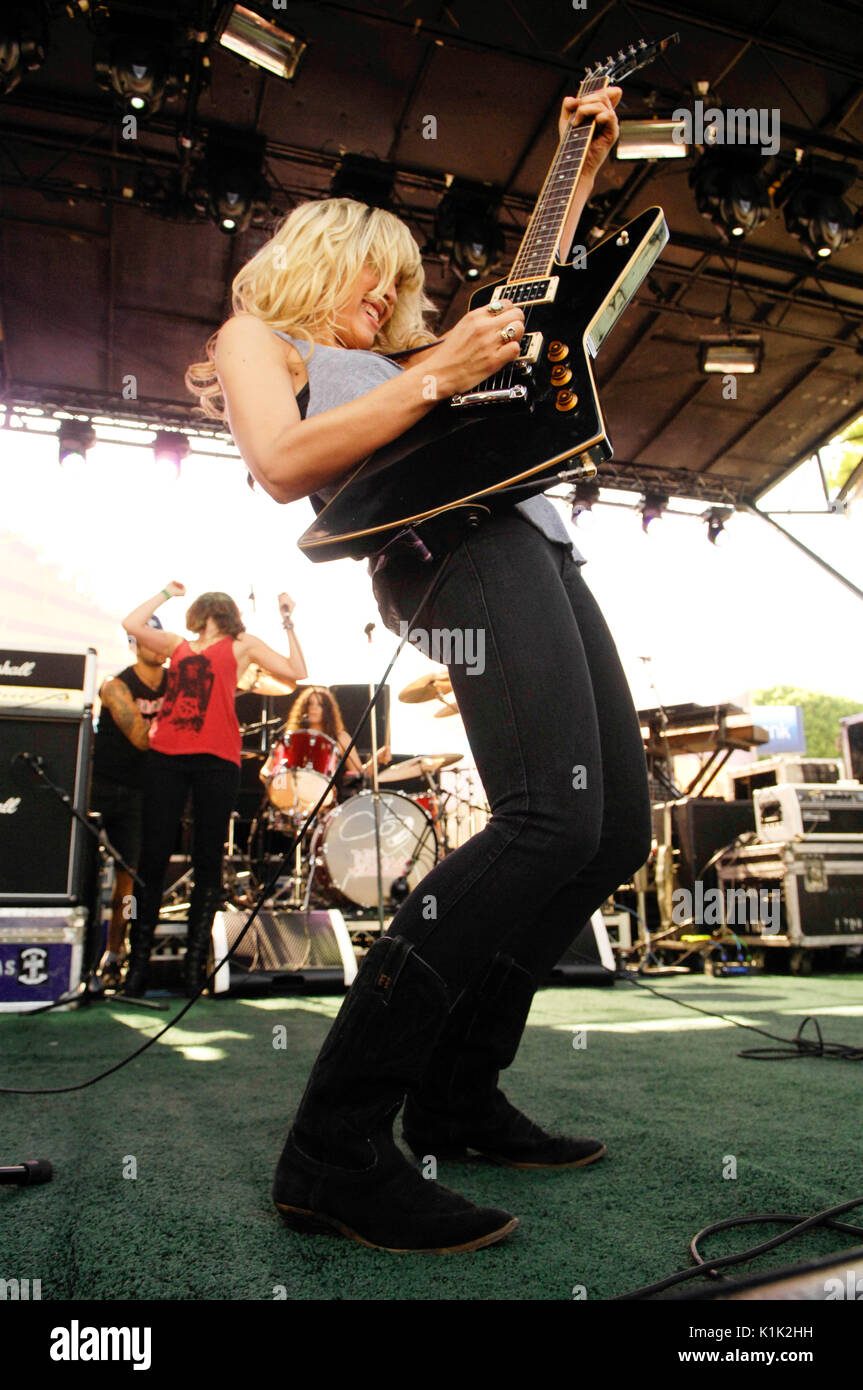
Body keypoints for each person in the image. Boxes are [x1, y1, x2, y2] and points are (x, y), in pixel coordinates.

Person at [188, 85, 652, 1253]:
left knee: (610, 833)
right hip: (443, 553)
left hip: (539, 542)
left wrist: (574, 165)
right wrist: (433, 374)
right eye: (374, 280)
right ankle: (333, 1148)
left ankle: (458, 1096)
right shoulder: (266, 339)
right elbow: (284, 460)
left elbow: (531, 288)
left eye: (403, 292)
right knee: (546, 820)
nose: (391, 304)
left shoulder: (412, 353)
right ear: (322, 260)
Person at [121, 585, 308, 996]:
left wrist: (287, 619)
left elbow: (297, 672)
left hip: (217, 758)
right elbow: (131, 624)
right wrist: (164, 594)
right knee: (151, 858)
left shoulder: (242, 644)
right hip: (167, 754)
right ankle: (137, 969)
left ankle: (193, 968)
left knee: (208, 858)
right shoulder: (178, 645)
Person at [89, 616, 167, 989]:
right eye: (148, 638)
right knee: (82, 876)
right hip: (101, 788)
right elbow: (141, 737)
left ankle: (115, 953)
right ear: (135, 642)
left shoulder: (175, 683)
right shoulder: (116, 685)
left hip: (141, 792)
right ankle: (85, 952)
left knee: (128, 883)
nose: (158, 645)